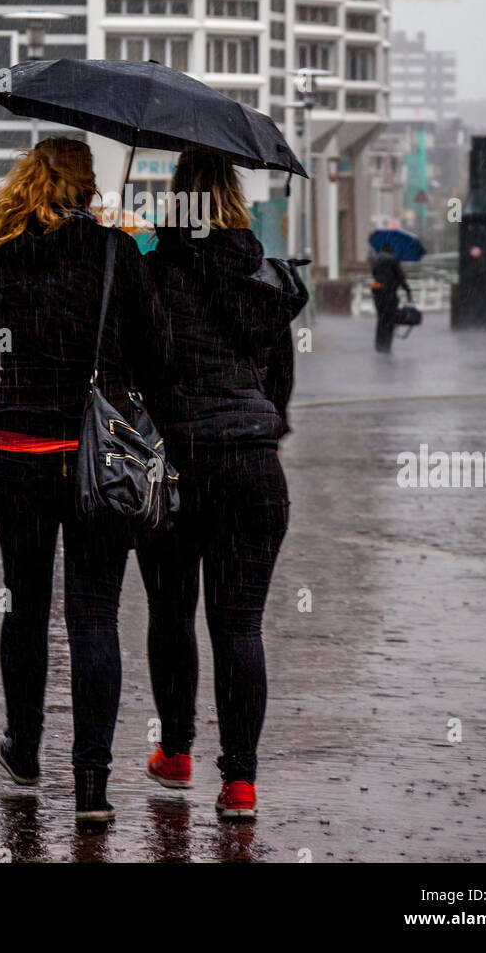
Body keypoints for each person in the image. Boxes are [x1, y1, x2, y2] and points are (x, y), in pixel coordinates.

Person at [0, 136, 167, 824]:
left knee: (22, 608)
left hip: (18, 452)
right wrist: (116, 257)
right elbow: (154, 348)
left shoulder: (5, 250)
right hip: (93, 461)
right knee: (93, 616)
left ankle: (23, 750)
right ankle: (91, 788)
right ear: (88, 187)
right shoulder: (113, 253)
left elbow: (5, 336)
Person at [136, 145, 306, 821]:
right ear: (234, 199)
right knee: (240, 626)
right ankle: (239, 784)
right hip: (254, 468)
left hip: (178, 466)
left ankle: (175, 753)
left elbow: (137, 371)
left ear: (176, 199)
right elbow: (282, 388)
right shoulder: (265, 279)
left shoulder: (151, 274)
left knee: (172, 613)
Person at [370, 241, 412, 352]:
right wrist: (408, 291)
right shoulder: (393, 260)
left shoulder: (376, 260)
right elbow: (401, 277)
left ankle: (379, 345)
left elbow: (374, 274)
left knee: (381, 319)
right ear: (391, 250)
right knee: (389, 320)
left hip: (377, 292)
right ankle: (386, 346)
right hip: (389, 293)